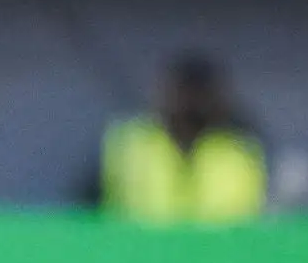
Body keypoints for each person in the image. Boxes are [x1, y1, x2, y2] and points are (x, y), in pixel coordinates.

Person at [89, 53, 268, 224]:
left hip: (218, 253)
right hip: (139, 252)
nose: (191, 104)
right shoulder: (131, 144)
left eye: (200, 95)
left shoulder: (239, 150)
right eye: (184, 93)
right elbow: (86, 209)